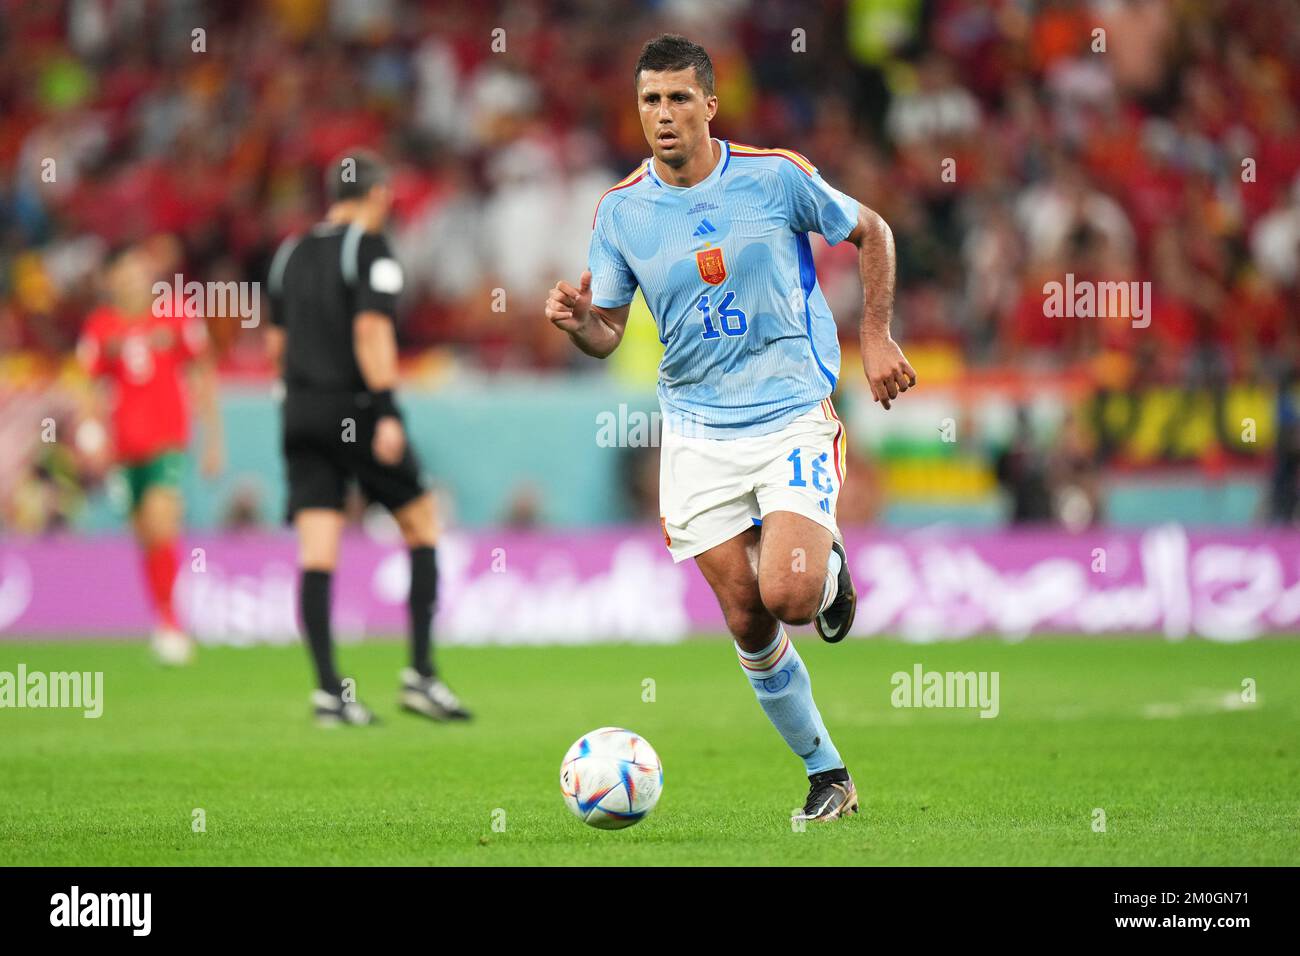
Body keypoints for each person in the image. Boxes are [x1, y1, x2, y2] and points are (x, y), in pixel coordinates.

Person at [545, 35, 916, 822]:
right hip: (695, 435)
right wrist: (582, 324)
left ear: (710, 104)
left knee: (786, 595)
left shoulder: (775, 177)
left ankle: (825, 570)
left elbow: (872, 230)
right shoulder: (621, 212)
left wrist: (876, 337)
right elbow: (609, 329)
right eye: (650, 100)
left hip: (788, 415)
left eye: (680, 98)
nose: (665, 114)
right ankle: (829, 777)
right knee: (746, 616)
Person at [266, 149, 471, 726]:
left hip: (298, 412)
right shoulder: (371, 249)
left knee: (316, 550)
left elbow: (276, 349)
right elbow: (370, 331)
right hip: (353, 407)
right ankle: (421, 676)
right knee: (422, 520)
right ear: (378, 196)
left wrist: (297, 403)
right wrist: (383, 411)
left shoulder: (288, 254)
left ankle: (331, 692)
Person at [77, 242, 224, 664]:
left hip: (168, 441)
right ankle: (162, 619)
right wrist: (91, 433)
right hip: (125, 448)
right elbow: (90, 385)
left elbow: (202, 372)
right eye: (124, 273)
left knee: (163, 522)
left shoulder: (177, 315)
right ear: (111, 280)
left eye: (138, 272)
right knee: (145, 536)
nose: (133, 280)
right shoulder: (102, 327)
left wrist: (214, 440)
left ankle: (174, 626)